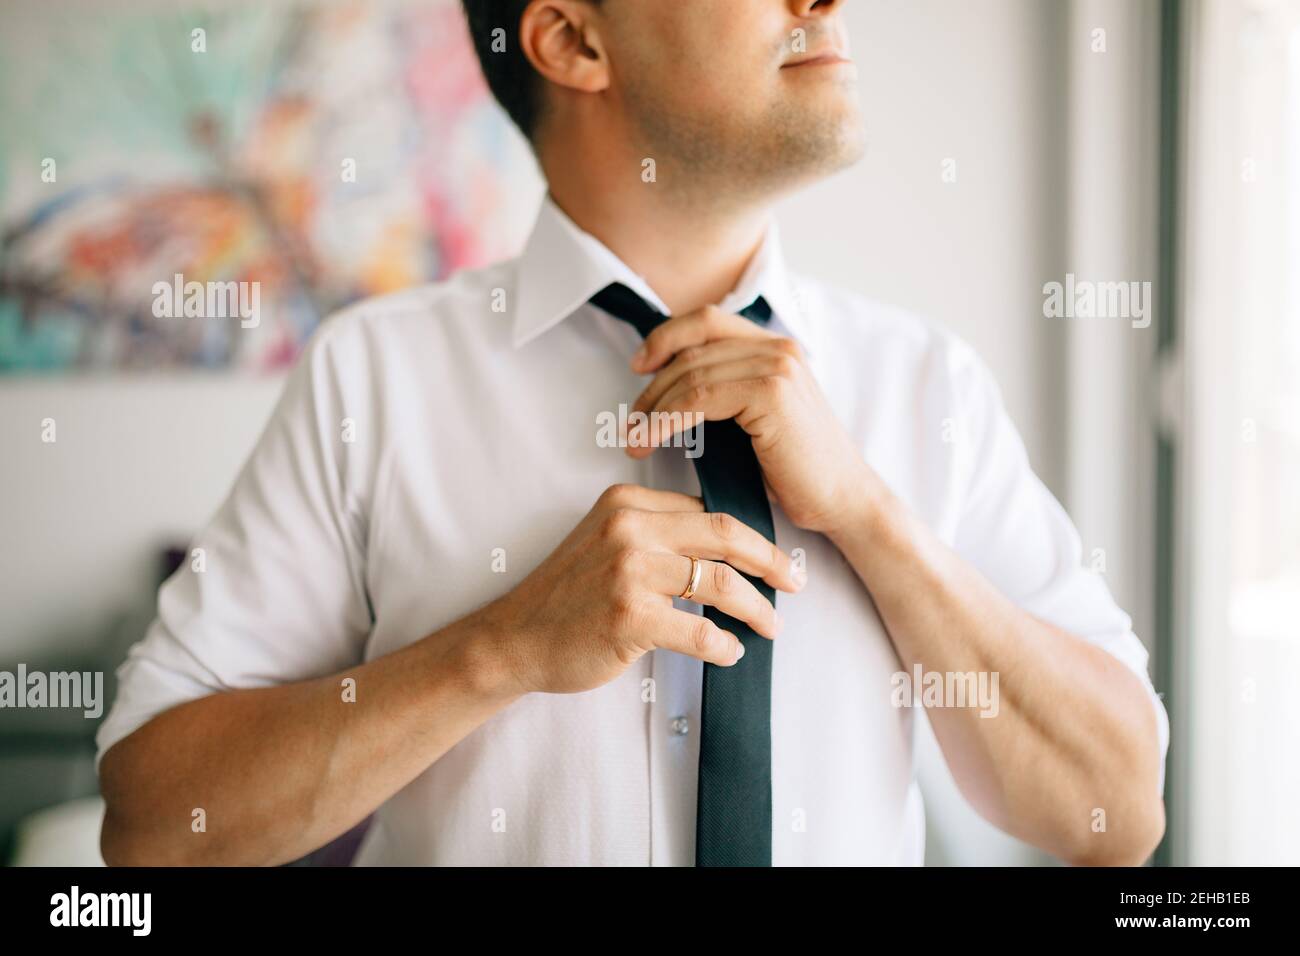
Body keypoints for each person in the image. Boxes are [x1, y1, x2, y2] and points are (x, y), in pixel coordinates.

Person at [97, 0, 1168, 866]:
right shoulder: (372, 377)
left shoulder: (927, 382)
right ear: (574, 40)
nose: (824, 0)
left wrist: (869, 514)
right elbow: (153, 831)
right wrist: (501, 644)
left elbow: (1117, 813)